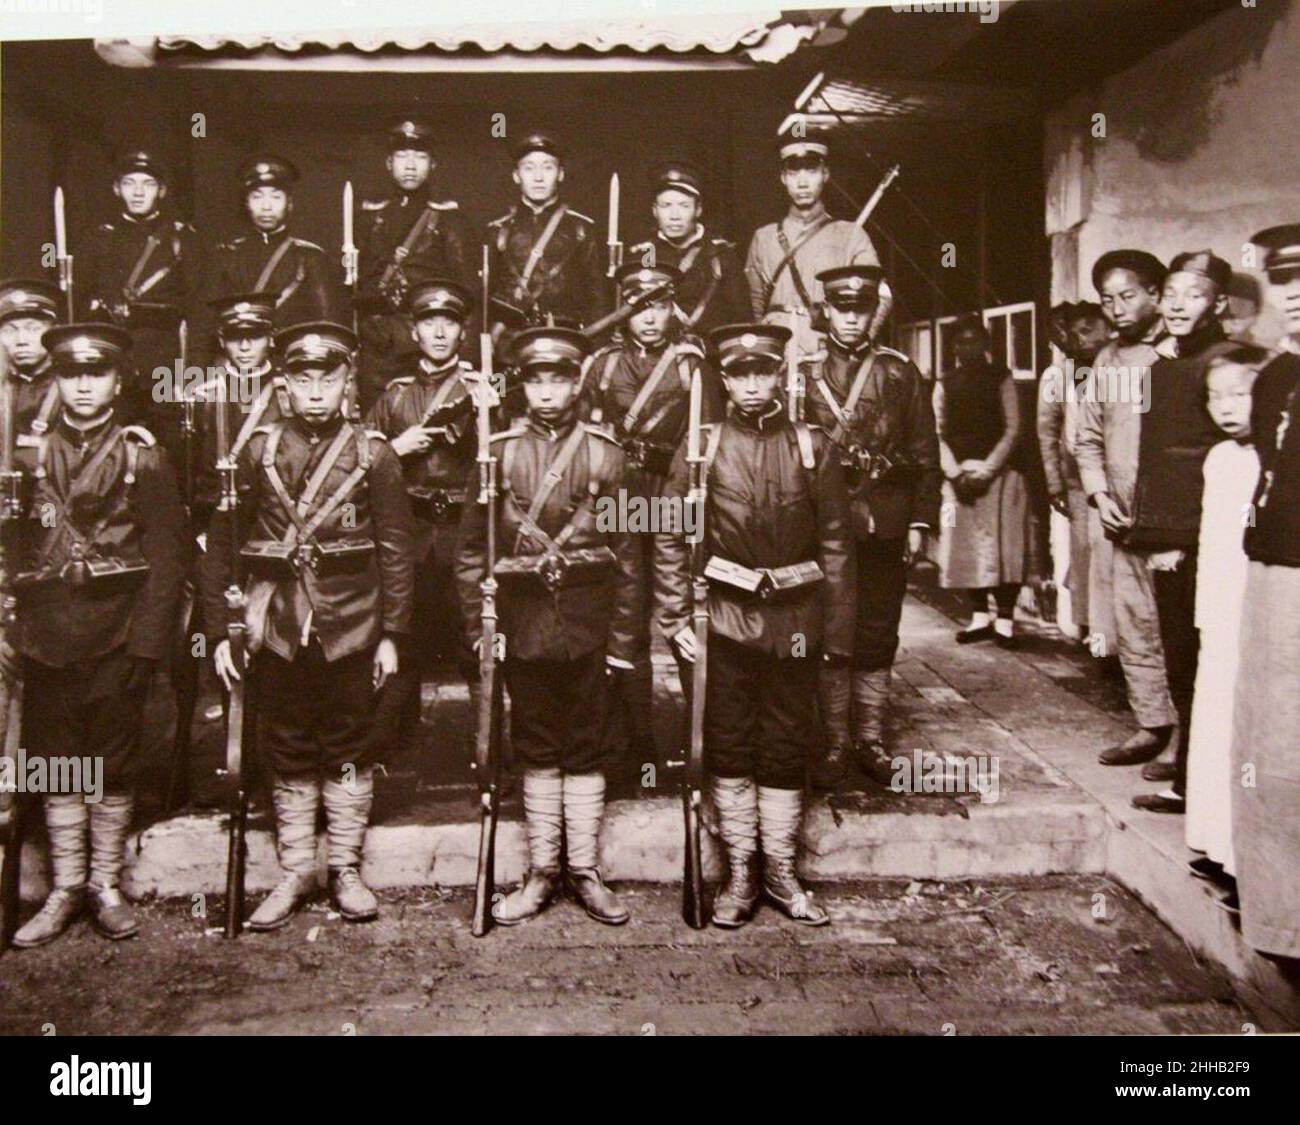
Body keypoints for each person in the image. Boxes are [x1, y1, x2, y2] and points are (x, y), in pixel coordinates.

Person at [202, 321, 414, 930]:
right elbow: (223, 544)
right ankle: (295, 870)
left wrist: (394, 635)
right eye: (303, 379)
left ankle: (345, 867)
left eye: (329, 378)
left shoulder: (375, 455)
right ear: (284, 385)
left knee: (349, 743)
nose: (316, 391)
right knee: (287, 744)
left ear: (349, 383)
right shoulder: (257, 451)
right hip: (277, 623)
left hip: (352, 624)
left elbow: (395, 549)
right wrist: (221, 628)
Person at [654, 323, 853, 928]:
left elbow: (838, 544)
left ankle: (781, 871)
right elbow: (666, 532)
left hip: (795, 621)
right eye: (739, 374)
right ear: (724, 378)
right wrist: (672, 616)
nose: (751, 385)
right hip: (722, 622)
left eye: (762, 372)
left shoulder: (813, 445)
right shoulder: (699, 446)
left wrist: (836, 634)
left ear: (779, 375)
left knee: (788, 742)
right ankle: (740, 871)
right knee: (731, 742)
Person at [1, 322, 187, 947]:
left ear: (117, 380)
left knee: (111, 761)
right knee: (57, 764)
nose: (83, 387)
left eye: (97, 374)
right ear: (56, 379)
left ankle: (106, 884)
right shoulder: (25, 459)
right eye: (72, 375)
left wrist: (148, 642)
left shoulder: (143, 456)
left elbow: (166, 556)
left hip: (118, 633)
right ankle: (65, 887)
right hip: (47, 634)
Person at [456, 325, 642, 927]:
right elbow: (468, 554)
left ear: (576, 382)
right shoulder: (496, 453)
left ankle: (584, 870)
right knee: (534, 743)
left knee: (588, 745)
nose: (546, 391)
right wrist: (480, 629)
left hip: (588, 625)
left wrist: (622, 641)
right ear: (521, 385)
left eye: (558, 378)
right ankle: (541, 871)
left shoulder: (606, 454)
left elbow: (630, 553)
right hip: (523, 622)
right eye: (535, 379)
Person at [803, 266, 939, 790]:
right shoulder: (803, 374)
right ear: (826, 311)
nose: (851, 318)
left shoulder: (901, 372)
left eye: (860, 309)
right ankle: (835, 739)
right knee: (830, 628)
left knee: (879, 627)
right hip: (825, 525)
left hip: (885, 517)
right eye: (842, 308)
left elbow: (925, 453)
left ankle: (871, 739)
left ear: (873, 313)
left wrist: (921, 521)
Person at [582, 262, 720, 778]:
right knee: (624, 609)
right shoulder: (602, 366)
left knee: (679, 608)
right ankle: (634, 744)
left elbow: (703, 435)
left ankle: (707, 741)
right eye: (638, 307)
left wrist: (681, 499)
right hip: (618, 500)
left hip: (669, 498)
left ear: (671, 310)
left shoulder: (690, 365)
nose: (648, 318)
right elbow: (587, 438)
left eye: (658, 306)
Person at [1124, 251, 1232, 814]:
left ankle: (1210, 788)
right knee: (1183, 661)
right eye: (1171, 294)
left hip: (1212, 540)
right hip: (1177, 538)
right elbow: (1156, 461)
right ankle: (1192, 781)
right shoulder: (1163, 368)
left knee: (1211, 661)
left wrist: (1172, 537)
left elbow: (1210, 462)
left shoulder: (1229, 365)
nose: (1179, 305)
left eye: (1194, 295)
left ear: (1219, 303)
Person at [366, 279, 481, 758]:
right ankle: (391, 753)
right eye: (429, 323)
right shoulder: (393, 397)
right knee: (402, 639)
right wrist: (397, 449)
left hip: (464, 532)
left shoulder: (481, 391)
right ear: (414, 333)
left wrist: (488, 420)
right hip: (410, 532)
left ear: (462, 333)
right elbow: (357, 463)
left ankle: (490, 751)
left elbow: (506, 461)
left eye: (449, 323)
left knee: (476, 641)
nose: (439, 332)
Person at [1075, 249, 1178, 769]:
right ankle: (1150, 724)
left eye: (1127, 296)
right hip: (1121, 520)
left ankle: (1185, 738)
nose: (1115, 308)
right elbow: (1088, 439)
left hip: (1176, 524)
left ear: (1156, 294)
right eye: (1107, 299)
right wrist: (1098, 494)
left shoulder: (1181, 352)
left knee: (1179, 628)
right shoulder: (1107, 360)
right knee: (1134, 623)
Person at [1232, 223, 1300, 959]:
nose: (1297, 294)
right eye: (1286, 281)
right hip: (1277, 577)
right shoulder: (1279, 375)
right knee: (1275, 756)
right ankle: (1283, 922)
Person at [1185, 346, 1265, 900]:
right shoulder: (1219, 459)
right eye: (1216, 397)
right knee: (1214, 719)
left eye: (1241, 394)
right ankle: (1216, 844)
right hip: (1219, 608)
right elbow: (1212, 544)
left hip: (1255, 609)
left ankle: (1248, 862)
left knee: (1250, 729)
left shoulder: (1271, 459)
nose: (1227, 407)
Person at [80, 148, 205, 453]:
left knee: (173, 450)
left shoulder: (182, 240)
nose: (137, 192)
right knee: (108, 449)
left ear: (161, 191)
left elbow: (199, 312)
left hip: (166, 365)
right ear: (116, 188)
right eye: (129, 183)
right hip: (114, 365)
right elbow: (80, 308)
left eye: (147, 184)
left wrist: (192, 374)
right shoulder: (99, 240)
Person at [354, 118, 473, 411]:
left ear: (432, 165)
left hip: (426, 343)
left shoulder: (449, 220)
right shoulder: (368, 219)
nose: (410, 165)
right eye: (402, 157)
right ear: (389, 162)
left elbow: (468, 292)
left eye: (419, 157)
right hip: (377, 346)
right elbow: (355, 287)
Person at [744, 133, 891, 358]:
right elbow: (754, 306)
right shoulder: (763, 238)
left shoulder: (850, 234)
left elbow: (881, 295)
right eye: (793, 172)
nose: (802, 182)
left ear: (825, 174)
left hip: (828, 353)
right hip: (777, 352)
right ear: (783, 177)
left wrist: (860, 344)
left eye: (811, 171)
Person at [934, 314, 1028, 647]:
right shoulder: (944, 383)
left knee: (1006, 547)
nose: (967, 347)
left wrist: (988, 470)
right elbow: (938, 433)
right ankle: (979, 616)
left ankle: (1005, 619)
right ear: (954, 347)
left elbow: (1013, 428)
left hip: (1000, 476)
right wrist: (956, 474)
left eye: (975, 340)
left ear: (986, 345)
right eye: (961, 341)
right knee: (967, 547)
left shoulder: (1002, 379)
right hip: (960, 476)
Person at [1037, 301, 1116, 651]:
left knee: (1113, 561)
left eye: (1087, 330)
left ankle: (1115, 635)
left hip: (1116, 481)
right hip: (1077, 484)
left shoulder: (1120, 368)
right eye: (1073, 333)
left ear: (1106, 328)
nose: (1078, 339)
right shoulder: (1059, 376)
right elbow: (1046, 431)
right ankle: (1089, 632)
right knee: (1085, 557)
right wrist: (1055, 483)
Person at [485, 132, 605, 343]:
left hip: (565, 339)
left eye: (548, 167)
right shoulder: (498, 230)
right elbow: (484, 297)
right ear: (516, 175)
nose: (538, 177)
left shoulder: (581, 230)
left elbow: (597, 299)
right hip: (509, 344)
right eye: (529, 168)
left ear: (560, 174)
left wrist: (595, 354)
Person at [207, 155, 343, 342]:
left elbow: (329, 326)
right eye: (257, 196)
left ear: (290, 203)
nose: (266, 206)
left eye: (276, 196)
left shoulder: (310, 257)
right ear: (246, 203)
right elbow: (205, 325)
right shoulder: (226, 255)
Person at [626, 160, 750, 339]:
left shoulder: (721, 255)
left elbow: (742, 321)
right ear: (654, 210)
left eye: (684, 206)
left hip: (710, 358)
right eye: (666, 205)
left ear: (698, 209)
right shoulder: (645, 254)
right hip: (658, 359)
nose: (674, 216)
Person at [0, 278, 62, 438]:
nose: (21, 340)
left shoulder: (71, 386)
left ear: (52, 331)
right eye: (9, 330)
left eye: (33, 329)